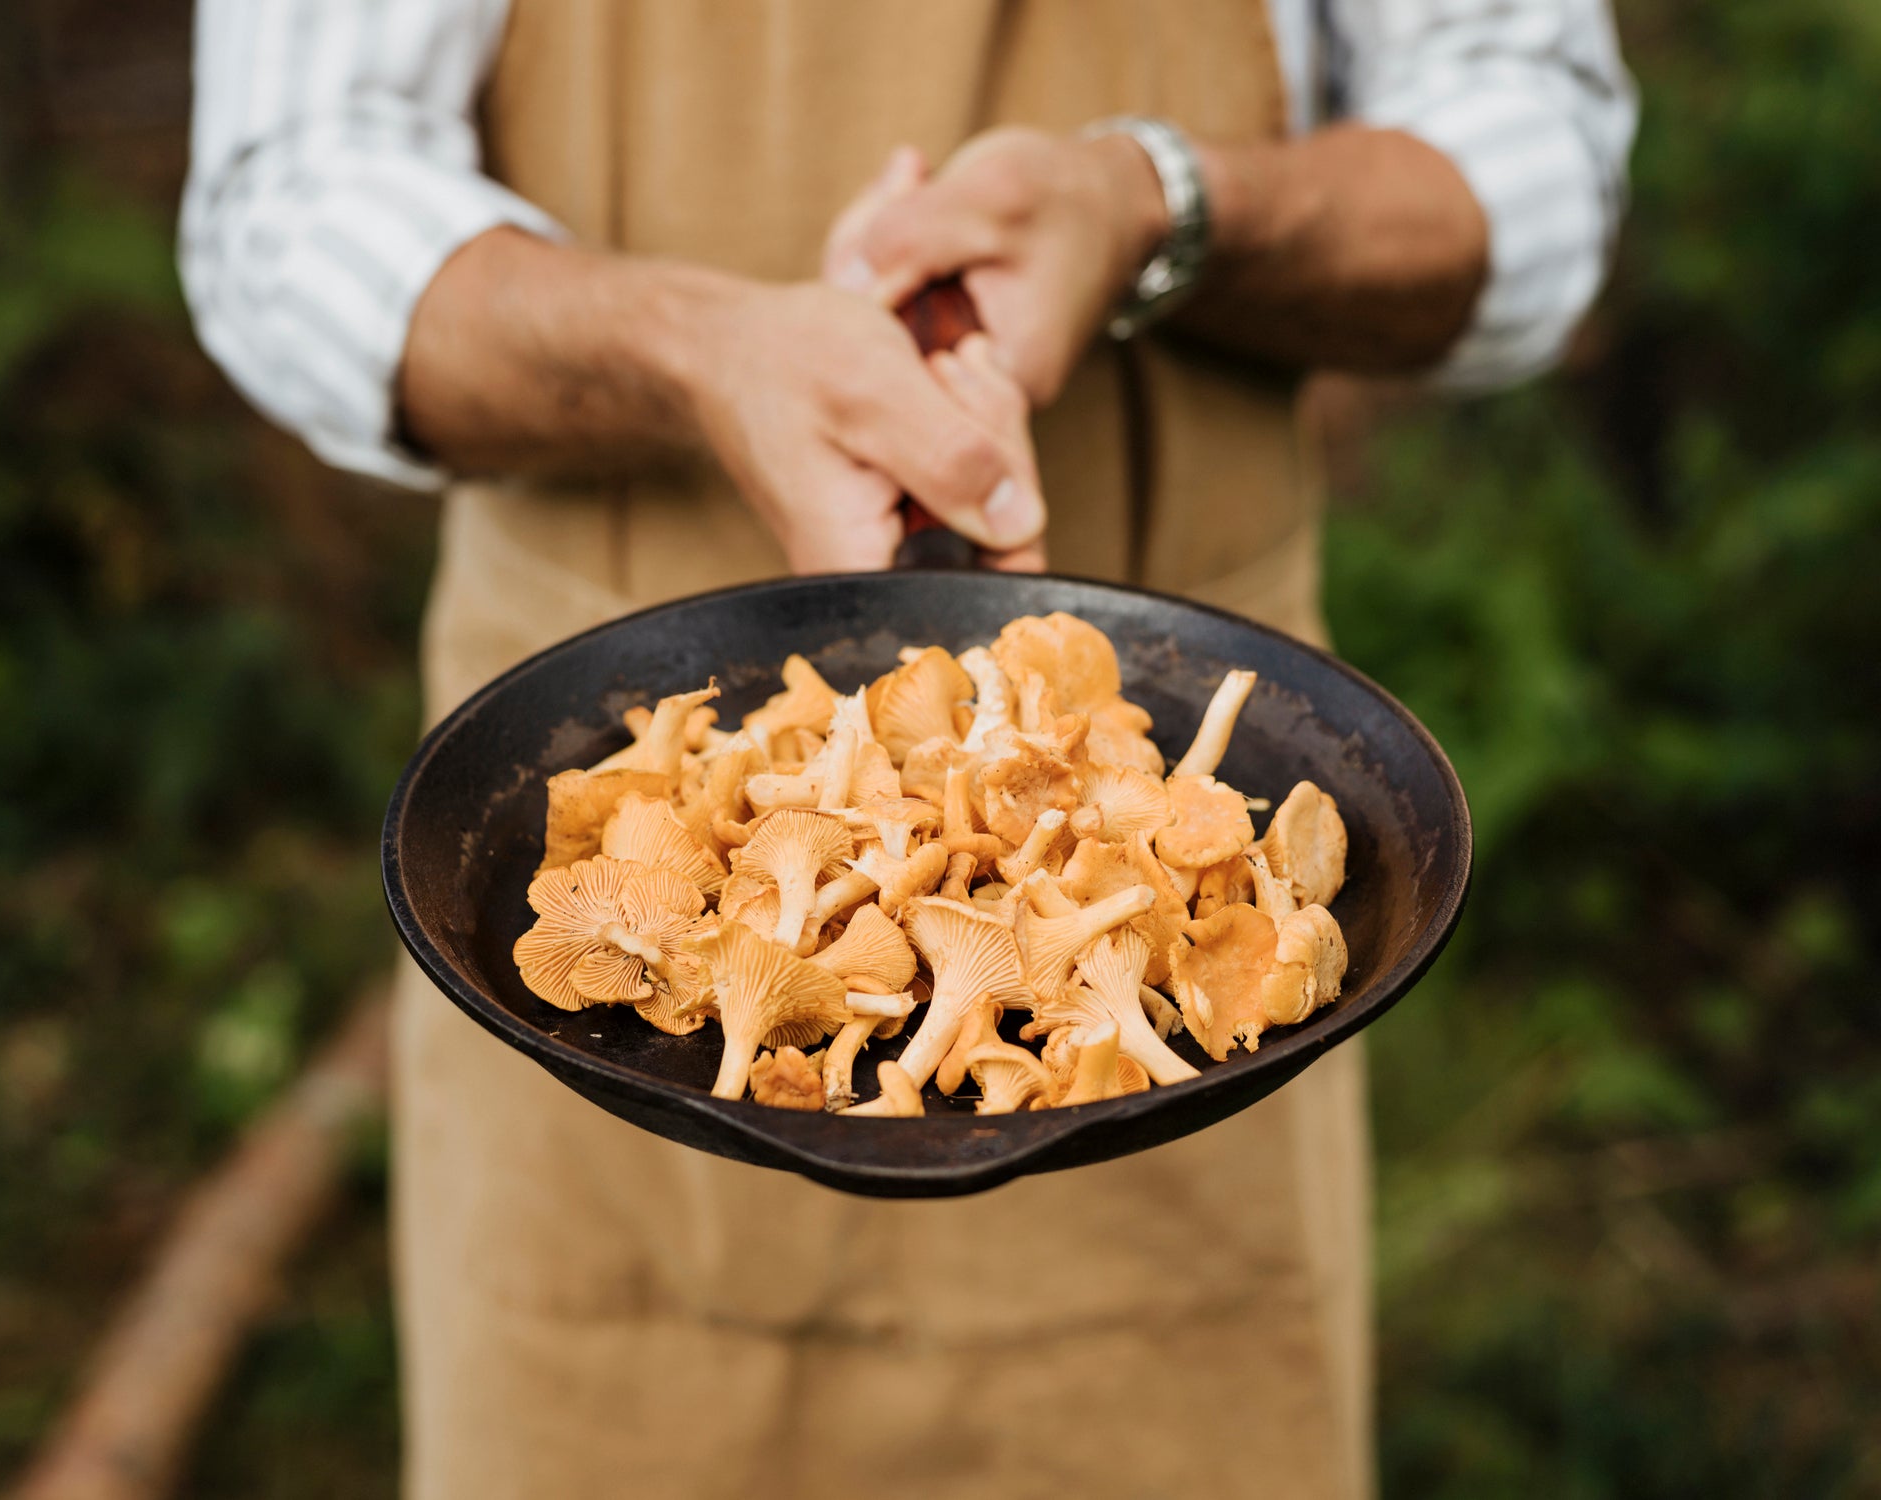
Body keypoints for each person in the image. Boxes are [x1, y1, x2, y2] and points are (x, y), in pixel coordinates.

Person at [182, 2, 1634, 1495]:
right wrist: (688, 348)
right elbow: (285, 194)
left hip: (1179, 843)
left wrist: (1161, 203)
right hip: (616, 799)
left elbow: (1532, 147)